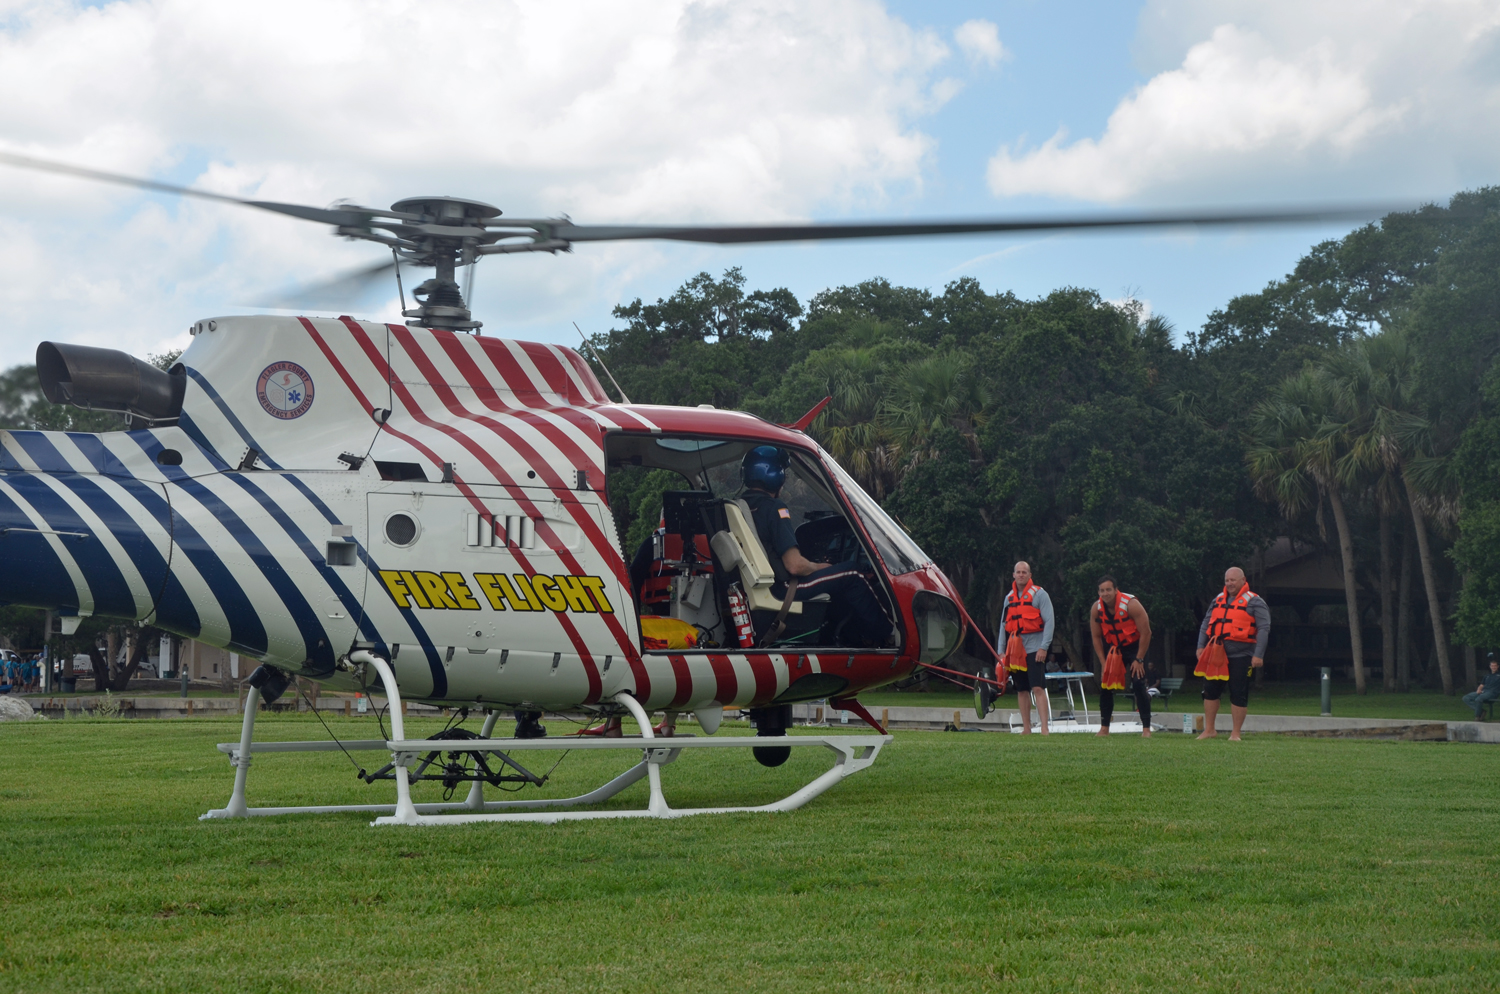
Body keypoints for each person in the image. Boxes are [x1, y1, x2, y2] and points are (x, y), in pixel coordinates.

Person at [739, 446, 893, 647]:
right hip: (783, 588)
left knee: (839, 579)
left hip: (760, 586)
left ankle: (846, 636)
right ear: (775, 475)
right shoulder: (774, 508)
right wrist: (821, 567)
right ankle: (888, 635)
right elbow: (795, 566)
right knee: (852, 574)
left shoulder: (740, 506)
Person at [1196, 566, 1270, 741]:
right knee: (1210, 691)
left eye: (1233, 580)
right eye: (1227, 580)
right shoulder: (1218, 600)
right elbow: (1206, 624)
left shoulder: (1255, 602)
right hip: (1216, 654)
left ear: (1243, 580)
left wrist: (1258, 655)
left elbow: (1264, 628)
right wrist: (1200, 646)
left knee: (1238, 692)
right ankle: (1209, 730)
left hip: (1242, 655)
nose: (1229, 584)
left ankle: (1235, 733)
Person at [1089, 574, 1154, 737]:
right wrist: (1103, 662)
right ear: (1099, 592)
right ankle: (1104, 728)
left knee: (1138, 684)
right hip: (1114, 649)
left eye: (1109, 590)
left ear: (1116, 590)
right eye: (1102, 591)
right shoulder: (1096, 609)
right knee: (1106, 685)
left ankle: (1146, 729)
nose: (1105, 594)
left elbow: (1146, 633)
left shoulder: (1131, 605)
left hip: (1135, 647)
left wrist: (1139, 659)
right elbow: (1096, 637)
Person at [998, 561, 1054, 734]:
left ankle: (1044, 727)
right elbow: (1003, 626)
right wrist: (1001, 651)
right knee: (1022, 689)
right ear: (1013, 575)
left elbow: (1050, 622)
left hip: (1035, 649)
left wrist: (1044, 647)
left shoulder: (1040, 594)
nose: (1021, 575)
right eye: (1018, 572)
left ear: (1030, 575)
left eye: (1024, 572)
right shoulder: (1009, 598)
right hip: (1015, 651)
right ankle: (1027, 728)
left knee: (1037, 687)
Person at [1462, 655, 1500, 720]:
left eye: (1495, 666)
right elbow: (1482, 685)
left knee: (1478, 699)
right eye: (1492, 666)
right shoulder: (1487, 676)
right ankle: (1481, 711)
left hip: (1492, 693)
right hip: (1483, 692)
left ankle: (1477, 716)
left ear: (1497, 667)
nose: (1493, 667)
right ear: (1490, 666)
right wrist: (1478, 690)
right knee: (1466, 698)